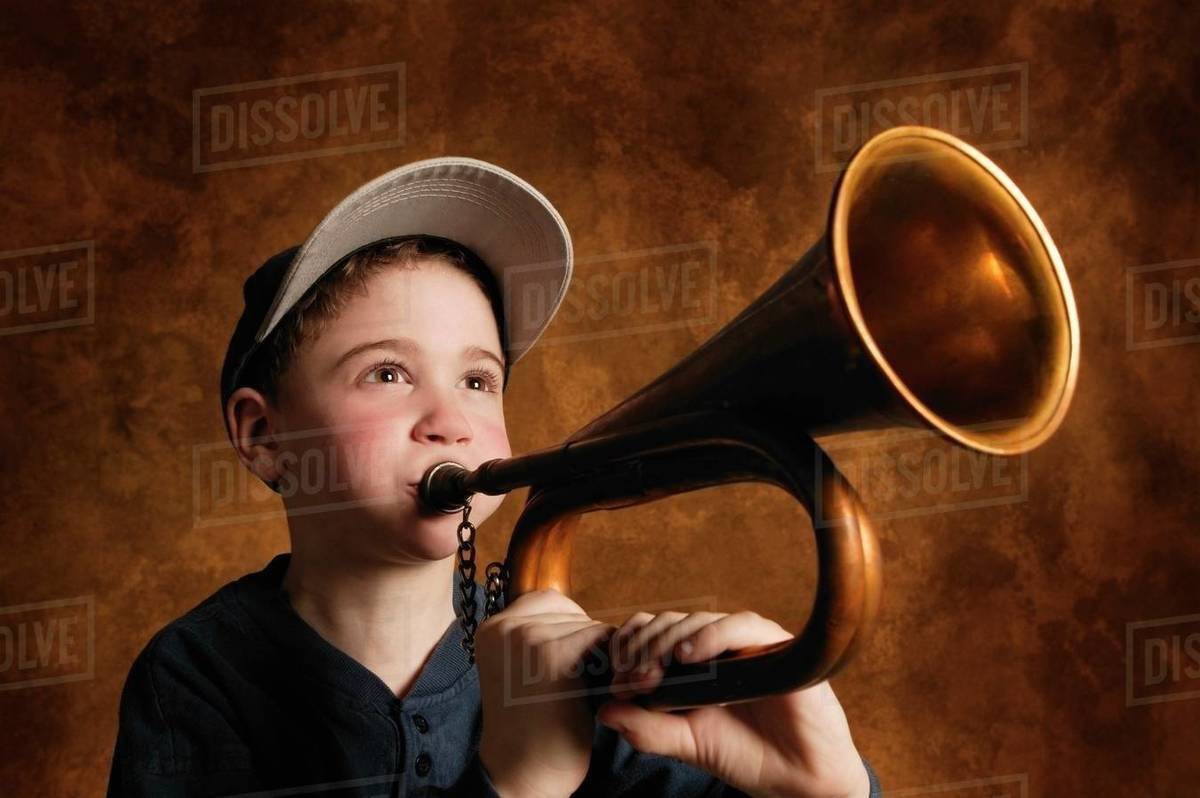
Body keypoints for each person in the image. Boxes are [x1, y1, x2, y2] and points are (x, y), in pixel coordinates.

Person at [106, 157, 883, 797]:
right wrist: (519, 779)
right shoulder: (197, 678)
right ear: (264, 435)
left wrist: (825, 787)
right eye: (386, 372)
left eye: (478, 381)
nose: (451, 418)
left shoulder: (559, 660)